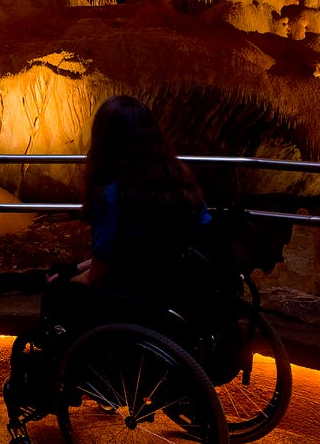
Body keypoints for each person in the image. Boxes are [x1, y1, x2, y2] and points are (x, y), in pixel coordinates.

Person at [58, 94, 212, 302]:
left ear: (104, 141)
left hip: (134, 297)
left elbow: (98, 275)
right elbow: (202, 232)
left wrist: (68, 280)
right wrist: (78, 267)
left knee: (58, 292)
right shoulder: (181, 181)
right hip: (181, 290)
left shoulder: (112, 195)